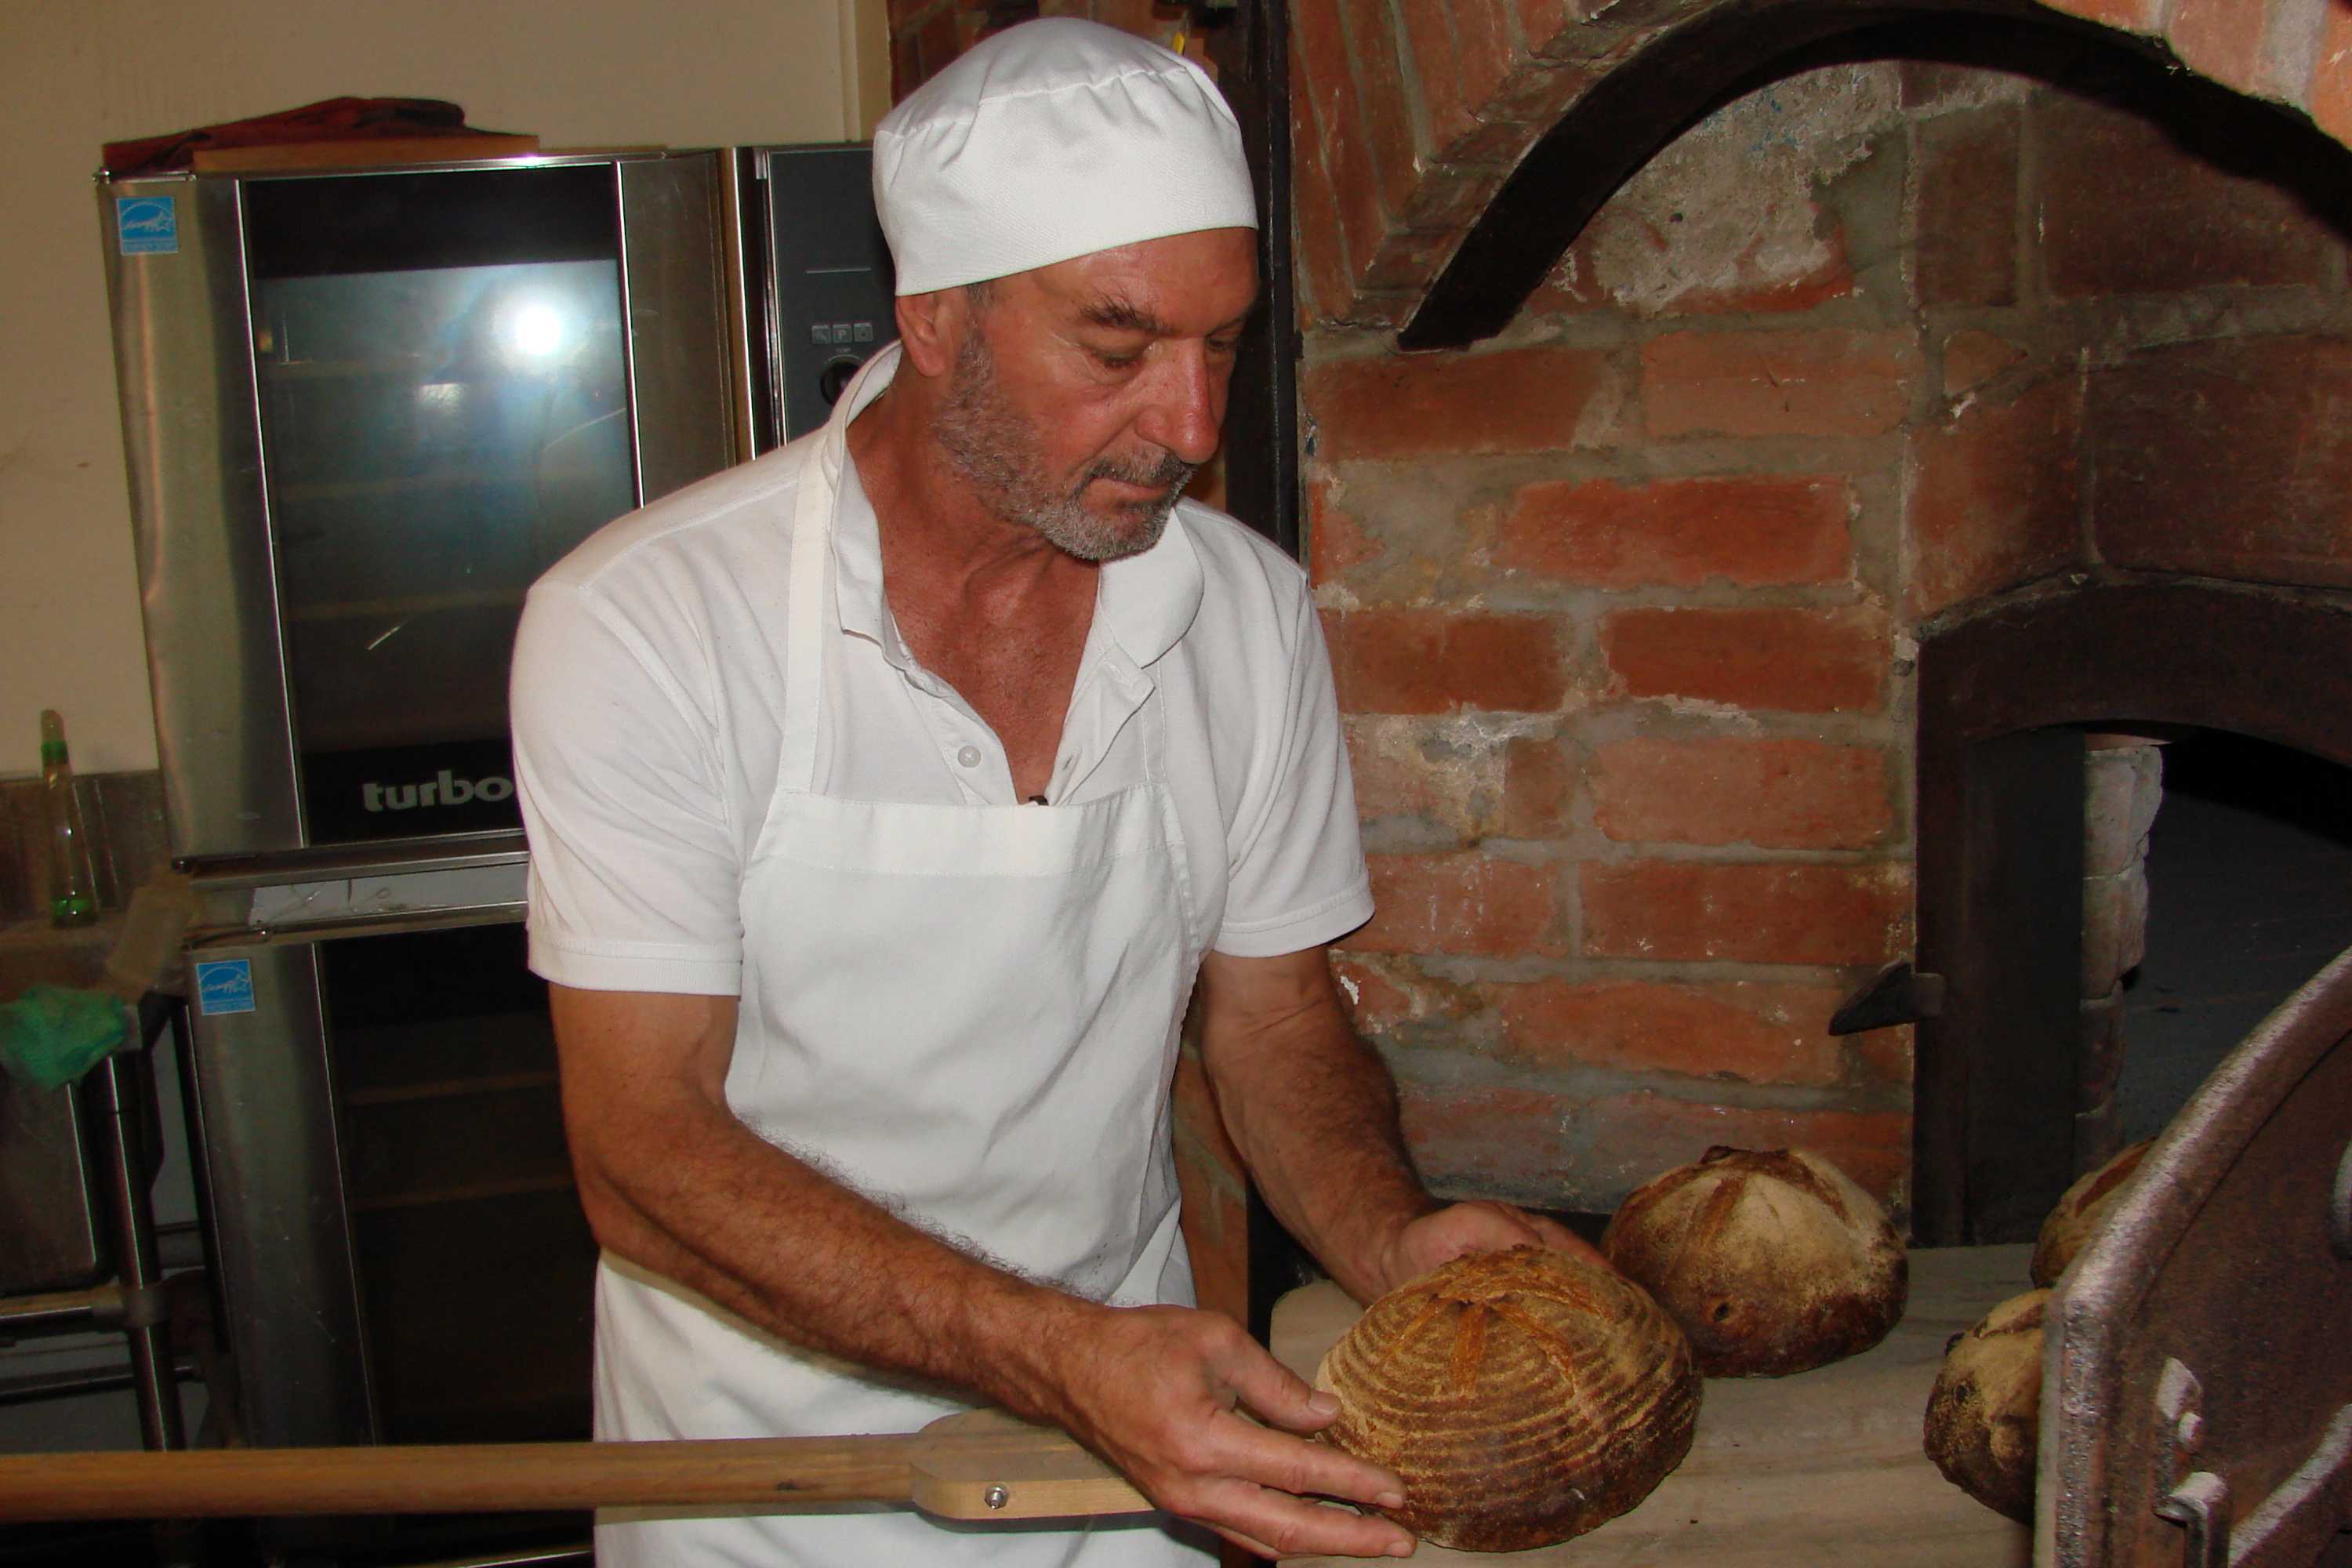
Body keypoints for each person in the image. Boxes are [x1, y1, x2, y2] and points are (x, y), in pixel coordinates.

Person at [510, 19, 1596, 1565]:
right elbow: (643, 1151)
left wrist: (1389, 1235)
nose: (1193, 427)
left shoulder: (1242, 611)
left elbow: (1274, 1020)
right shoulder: (649, 623)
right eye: (1117, 347)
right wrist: (1062, 1357)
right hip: (764, 1493)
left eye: (1221, 345)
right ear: (935, 316)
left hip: (1128, 1477)